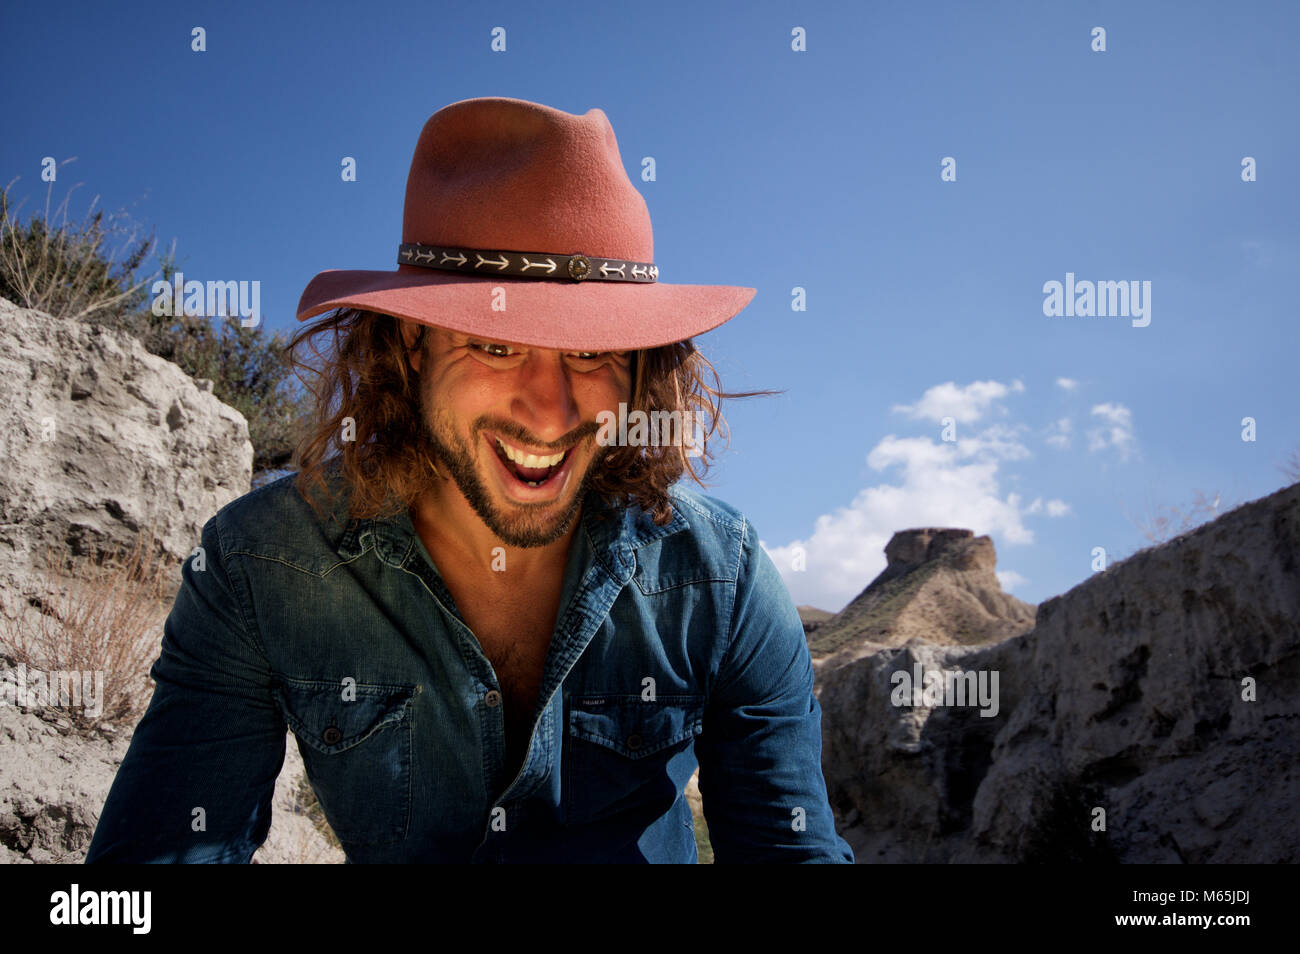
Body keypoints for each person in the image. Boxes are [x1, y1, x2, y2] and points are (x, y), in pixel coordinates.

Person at [86, 96, 853, 863]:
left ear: (641, 369)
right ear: (411, 344)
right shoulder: (260, 568)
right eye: (494, 345)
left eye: (591, 354)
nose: (550, 413)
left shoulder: (723, 579)